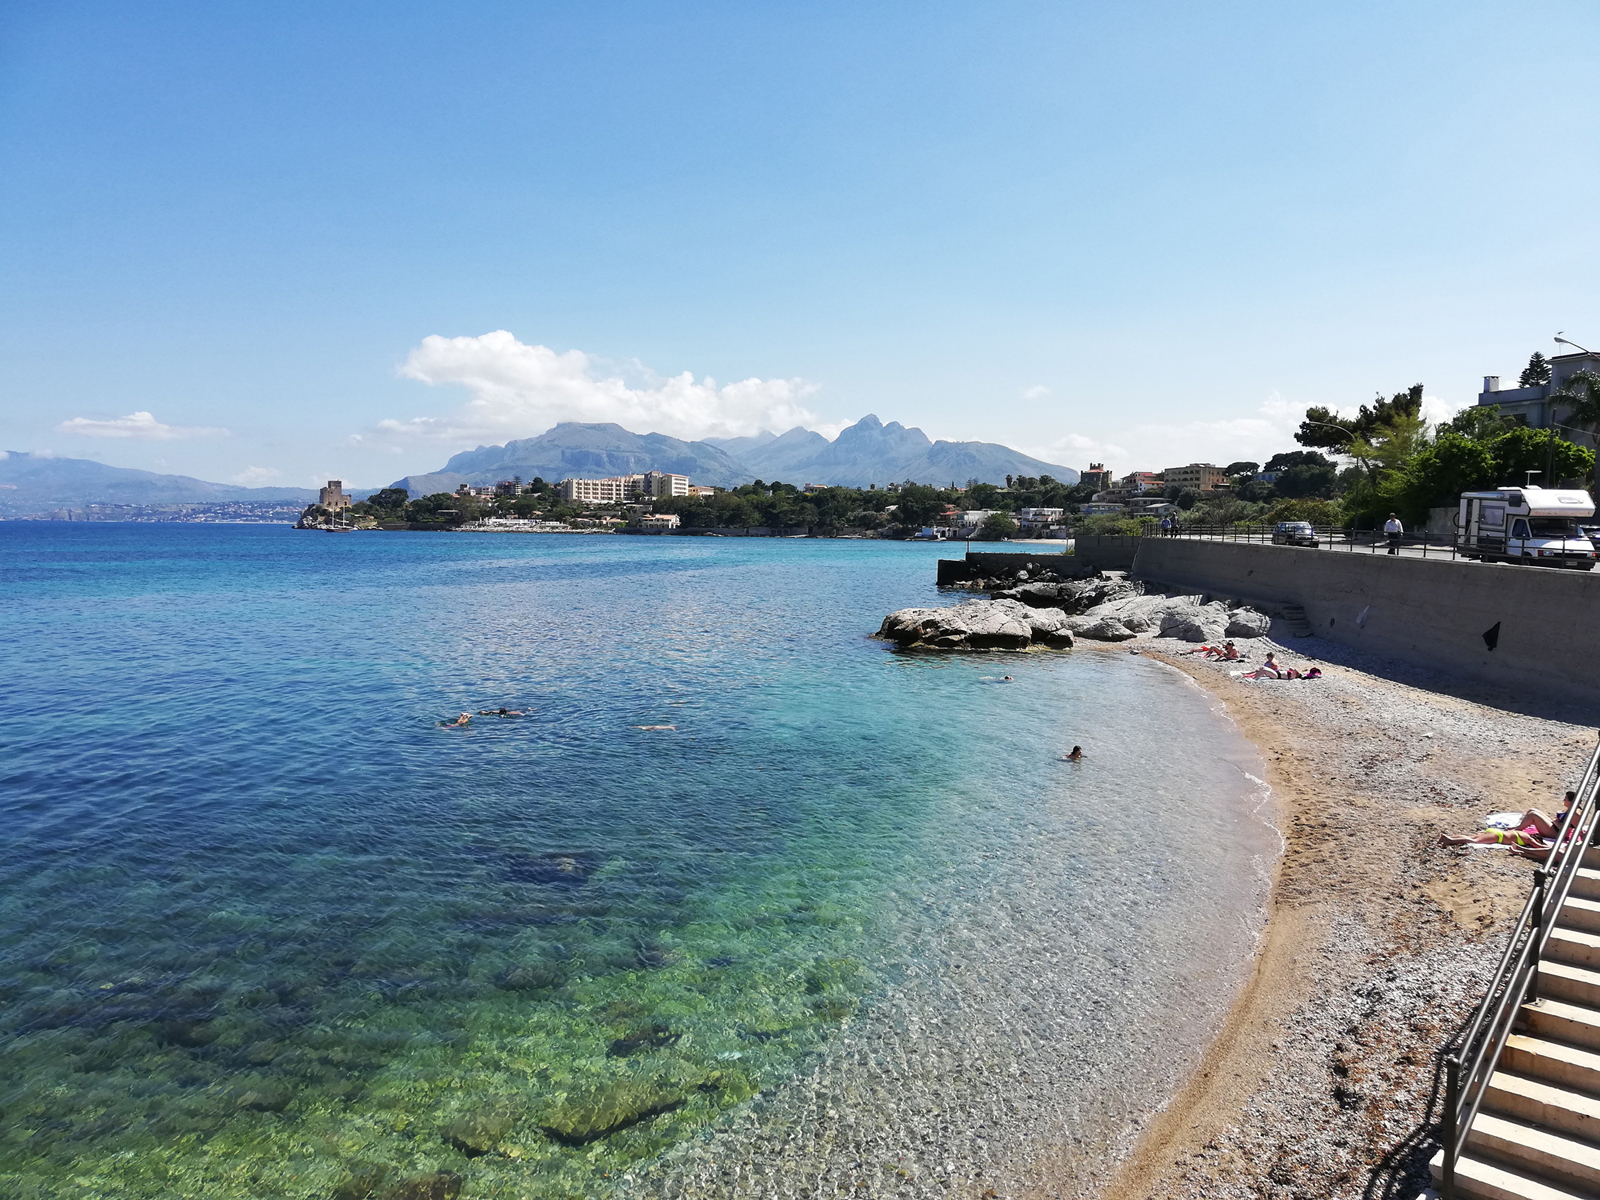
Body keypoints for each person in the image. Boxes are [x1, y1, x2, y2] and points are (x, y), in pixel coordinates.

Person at [1441, 791, 1577, 851]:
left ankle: (1449, 838)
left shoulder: (1525, 837)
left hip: (1497, 833)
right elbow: (1538, 847)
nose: (1563, 801)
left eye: (1565, 799)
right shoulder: (1527, 839)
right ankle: (1449, 839)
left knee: (1474, 838)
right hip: (1498, 836)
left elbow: (1574, 827)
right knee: (1474, 840)